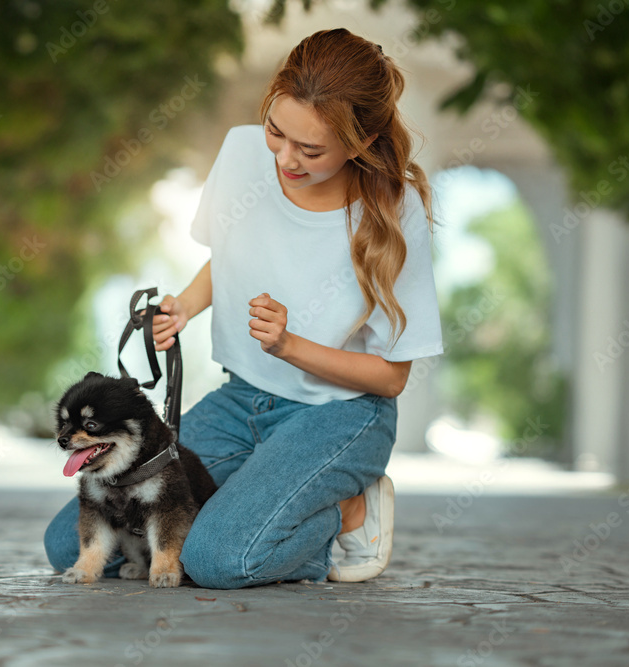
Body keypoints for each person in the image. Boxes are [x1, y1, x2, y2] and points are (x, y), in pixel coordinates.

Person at [44, 27, 444, 589]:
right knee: (70, 543)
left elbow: (392, 377)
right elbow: (229, 254)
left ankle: (349, 508)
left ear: (362, 139)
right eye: (277, 133)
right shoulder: (239, 151)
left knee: (216, 561)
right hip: (239, 400)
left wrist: (290, 345)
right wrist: (184, 305)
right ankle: (257, 501)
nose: (285, 158)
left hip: (340, 414)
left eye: (311, 150)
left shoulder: (395, 212)